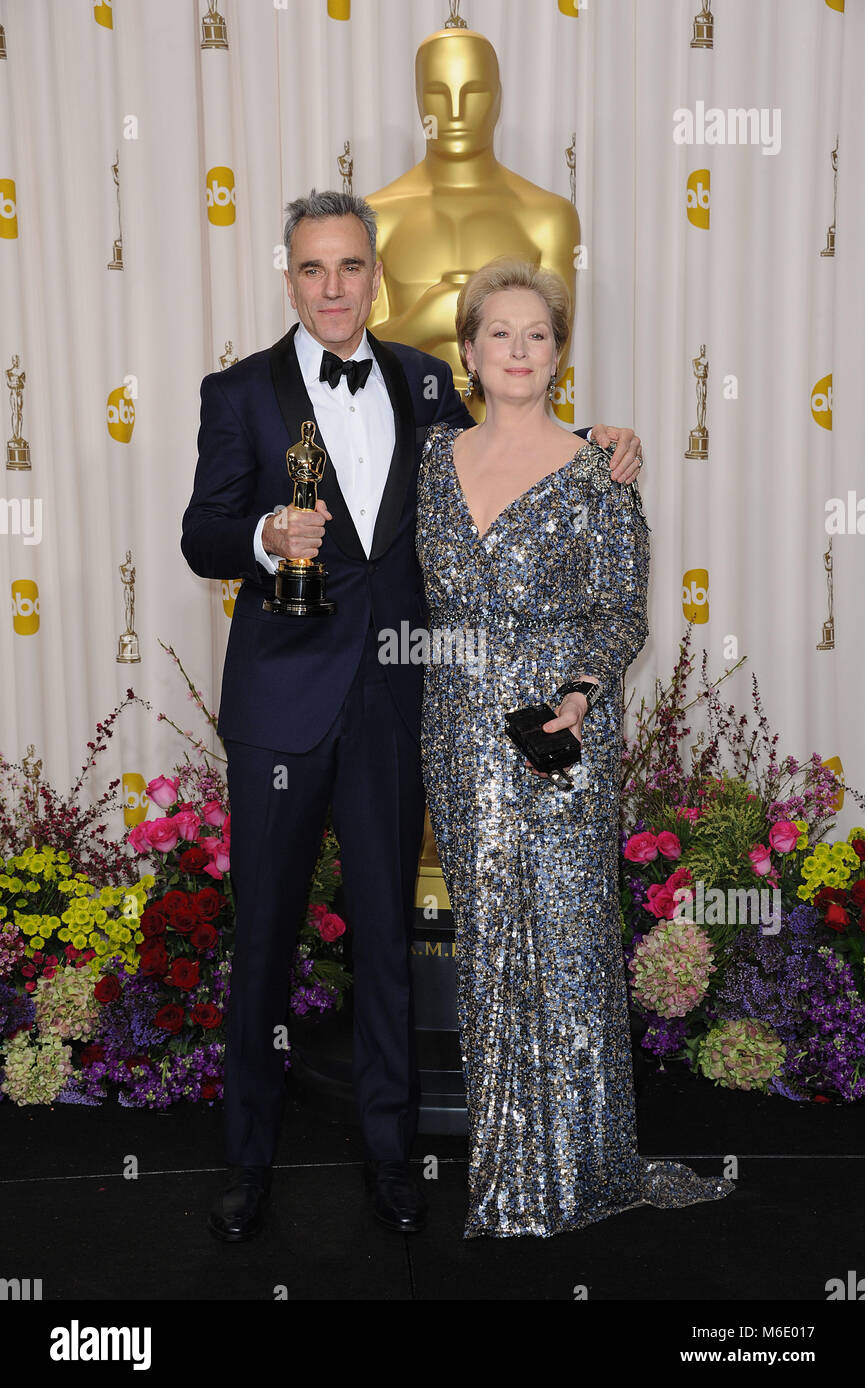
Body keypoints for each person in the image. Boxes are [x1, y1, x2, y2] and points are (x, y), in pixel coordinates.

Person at [181, 190, 644, 1242]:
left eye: (350, 266)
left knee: (387, 937)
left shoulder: (428, 381)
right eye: (313, 269)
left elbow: (511, 455)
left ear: (375, 274)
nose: (334, 287)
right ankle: (246, 1161)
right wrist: (262, 534)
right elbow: (201, 532)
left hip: (402, 704)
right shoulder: (237, 393)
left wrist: (610, 437)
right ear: (287, 275)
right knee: (264, 939)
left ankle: (391, 1158)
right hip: (280, 708)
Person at [416, 257, 735, 1237]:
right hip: (460, 743)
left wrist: (581, 692)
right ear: (468, 351)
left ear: (558, 354)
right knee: (497, 956)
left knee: (569, 952)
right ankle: (511, 1171)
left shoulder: (600, 468)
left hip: (560, 742)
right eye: (498, 333)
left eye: (536, 334)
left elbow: (620, 611)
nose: (517, 349)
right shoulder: (427, 461)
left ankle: (584, 1169)